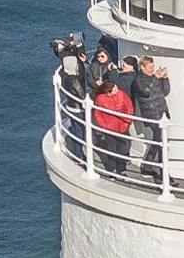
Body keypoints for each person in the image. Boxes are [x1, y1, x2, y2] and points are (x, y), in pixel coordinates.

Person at [127, 53, 171, 186]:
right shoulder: (138, 80)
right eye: (150, 67)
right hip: (151, 114)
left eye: (153, 67)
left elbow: (165, 91)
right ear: (142, 67)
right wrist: (156, 78)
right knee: (160, 141)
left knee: (159, 140)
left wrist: (165, 78)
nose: (152, 69)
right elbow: (145, 91)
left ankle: (147, 167)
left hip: (161, 113)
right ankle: (161, 172)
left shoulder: (152, 78)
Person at [89, 55, 137, 177]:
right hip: (110, 128)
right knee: (112, 148)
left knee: (124, 146)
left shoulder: (121, 94)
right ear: (109, 91)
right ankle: (112, 170)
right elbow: (98, 114)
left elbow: (129, 107)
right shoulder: (101, 99)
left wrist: (127, 121)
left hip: (122, 126)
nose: (117, 90)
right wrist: (104, 126)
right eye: (115, 89)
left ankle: (120, 169)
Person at [52, 37, 90, 166]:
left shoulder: (64, 76)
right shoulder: (74, 80)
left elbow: (64, 55)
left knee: (75, 129)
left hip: (70, 105)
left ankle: (77, 154)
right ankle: (80, 156)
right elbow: (82, 96)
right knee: (80, 131)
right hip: (78, 108)